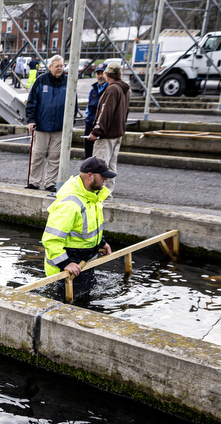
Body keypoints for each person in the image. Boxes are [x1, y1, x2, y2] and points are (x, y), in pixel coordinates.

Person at [40, 156, 115, 298]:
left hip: (84, 261)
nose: (106, 180)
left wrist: (102, 242)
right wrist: (65, 263)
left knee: (85, 298)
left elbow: (90, 225)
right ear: (90, 176)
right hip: (69, 267)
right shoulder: (70, 204)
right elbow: (51, 238)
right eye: (103, 176)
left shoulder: (91, 195)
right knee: (70, 305)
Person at [25, 55, 68, 192]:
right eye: (57, 66)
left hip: (59, 127)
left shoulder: (68, 81)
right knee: (38, 155)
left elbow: (73, 103)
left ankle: (50, 183)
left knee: (55, 157)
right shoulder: (41, 81)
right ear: (50, 67)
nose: (60, 68)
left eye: (61, 66)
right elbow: (32, 102)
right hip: (42, 126)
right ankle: (34, 182)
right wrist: (31, 120)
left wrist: (69, 123)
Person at [87, 60, 130, 194]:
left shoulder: (112, 89)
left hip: (106, 135)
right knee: (111, 164)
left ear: (106, 74)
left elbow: (105, 112)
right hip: (118, 133)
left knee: (100, 164)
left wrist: (96, 131)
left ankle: (97, 192)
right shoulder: (125, 89)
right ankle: (107, 192)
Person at [83, 63, 108, 158]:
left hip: (101, 127)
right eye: (98, 73)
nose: (100, 76)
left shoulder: (109, 89)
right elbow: (88, 107)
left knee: (100, 155)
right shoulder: (93, 90)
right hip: (90, 124)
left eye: (102, 73)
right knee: (88, 154)